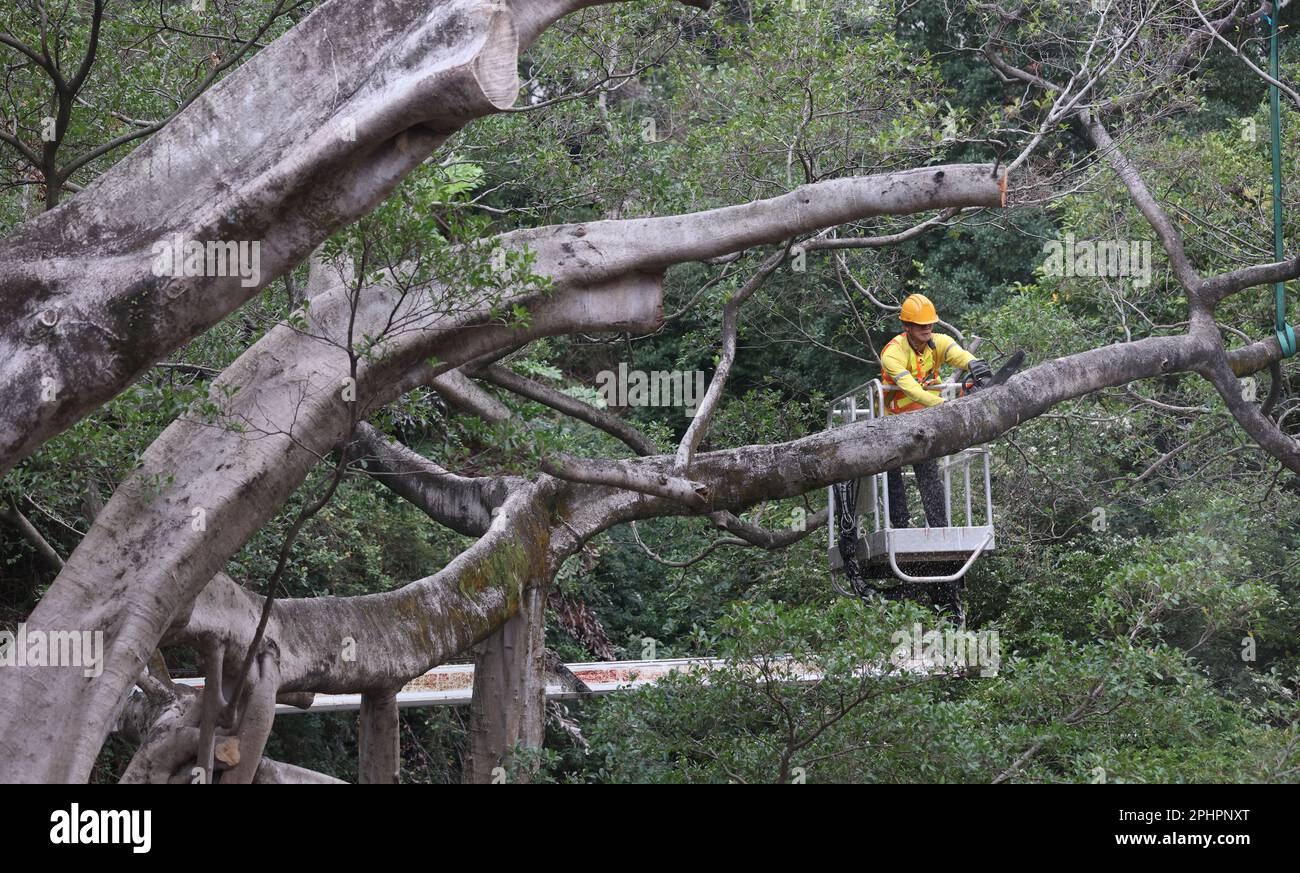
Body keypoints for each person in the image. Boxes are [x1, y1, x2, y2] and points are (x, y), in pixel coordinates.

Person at [879, 293, 992, 529]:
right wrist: (944, 406)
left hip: (922, 420)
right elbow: (912, 390)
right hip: (892, 422)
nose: (927, 329)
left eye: (929, 324)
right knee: (892, 474)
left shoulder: (938, 341)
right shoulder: (893, 353)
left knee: (929, 471)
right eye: (921, 325)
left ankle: (940, 525)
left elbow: (956, 353)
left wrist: (974, 364)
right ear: (907, 326)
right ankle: (900, 527)